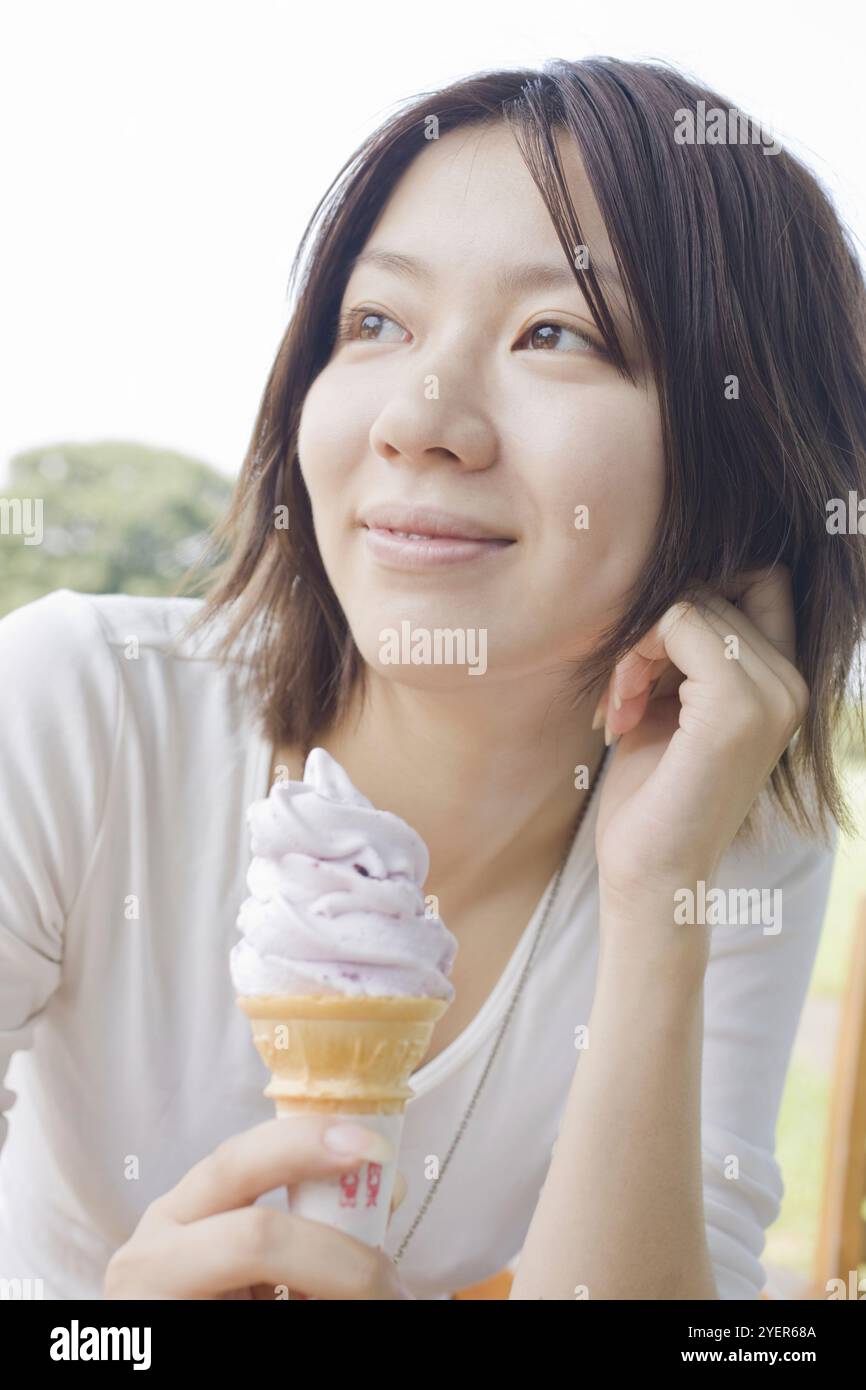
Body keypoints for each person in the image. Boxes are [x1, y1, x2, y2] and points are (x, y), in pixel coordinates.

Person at [2, 55, 865, 1301]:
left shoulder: (724, 822)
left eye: (553, 333)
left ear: (743, 463)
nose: (419, 417)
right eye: (376, 323)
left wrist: (652, 895)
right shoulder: (75, 712)